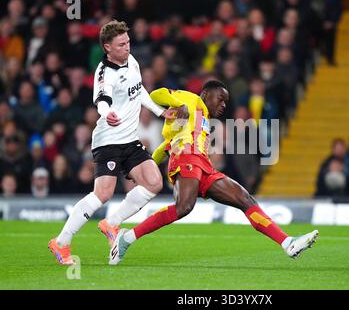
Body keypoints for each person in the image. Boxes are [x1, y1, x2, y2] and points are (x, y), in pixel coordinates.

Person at [109, 80, 319, 265]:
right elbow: (155, 94)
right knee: (184, 207)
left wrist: (145, 166)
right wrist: (179, 104)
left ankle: (287, 242)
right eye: (220, 99)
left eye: (226, 102)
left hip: (204, 166)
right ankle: (127, 239)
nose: (223, 105)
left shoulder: (203, 120)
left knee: (245, 199)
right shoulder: (191, 100)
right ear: (205, 94)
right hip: (186, 158)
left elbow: (165, 146)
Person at [48, 20, 187, 265]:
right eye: (121, 44)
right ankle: (61, 243)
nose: (127, 47)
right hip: (108, 140)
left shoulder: (131, 61)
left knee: (154, 182)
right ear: (107, 47)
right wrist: (106, 112)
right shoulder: (104, 73)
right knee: (103, 194)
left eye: (128, 42)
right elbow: (102, 99)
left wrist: (159, 112)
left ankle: (111, 223)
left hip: (129, 140)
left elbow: (139, 89)